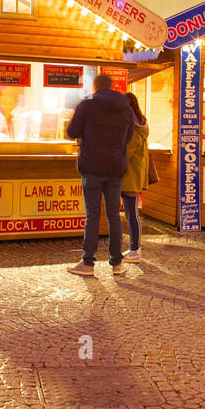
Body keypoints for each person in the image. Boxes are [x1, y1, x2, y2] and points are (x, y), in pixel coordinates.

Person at [66, 73, 134, 277]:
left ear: (95, 87)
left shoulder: (87, 105)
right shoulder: (126, 108)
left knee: (93, 215)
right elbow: (128, 136)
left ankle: (88, 263)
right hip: (115, 167)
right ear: (112, 87)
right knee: (114, 216)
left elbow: (71, 131)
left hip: (93, 167)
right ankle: (117, 263)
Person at [120, 92, 150, 262]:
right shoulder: (142, 121)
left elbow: (127, 153)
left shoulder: (132, 127)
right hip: (136, 172)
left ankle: (135, 249)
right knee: (131, 212)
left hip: (130, 174)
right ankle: (134, 248)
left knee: (131, 212)